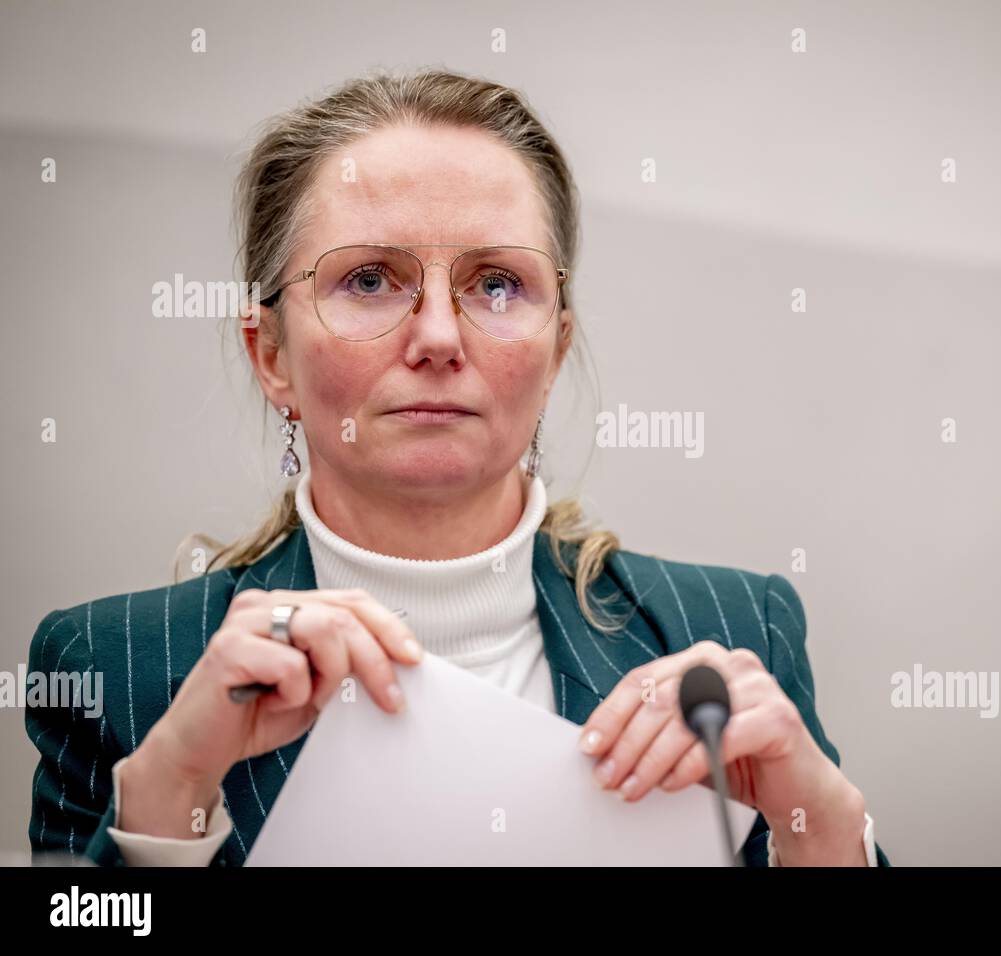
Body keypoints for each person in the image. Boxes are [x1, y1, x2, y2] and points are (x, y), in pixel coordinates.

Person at [25, 68, 887, 867]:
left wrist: (825, 828)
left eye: (497, 285)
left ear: (556, 351)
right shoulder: (116, 667)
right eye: (369, 279)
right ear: (272, 354)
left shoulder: (739, 632)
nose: (438, 337)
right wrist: (167, 796)